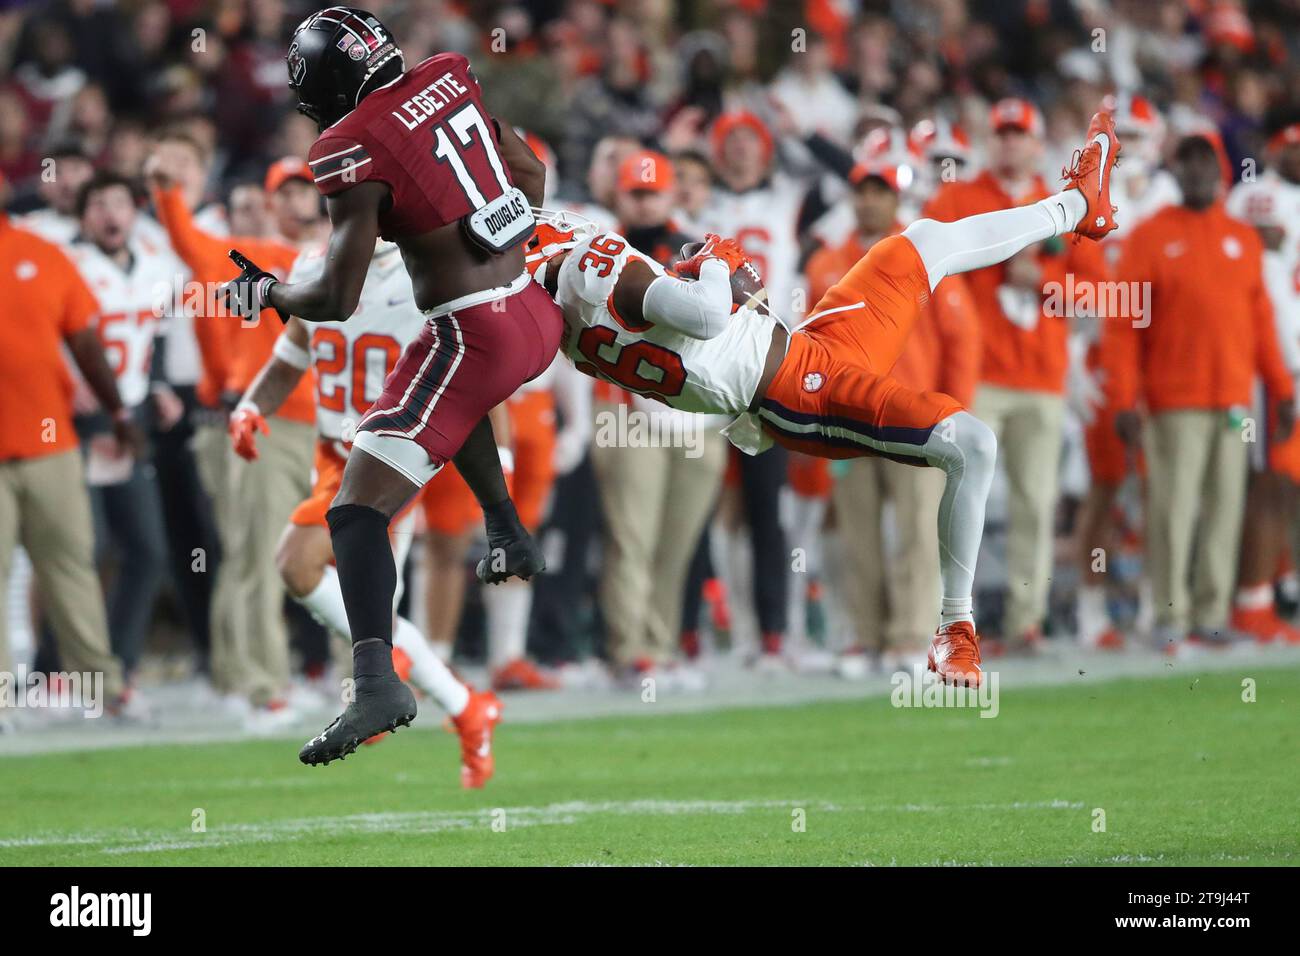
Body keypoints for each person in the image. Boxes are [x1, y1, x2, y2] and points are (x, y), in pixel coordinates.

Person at [524, 112, 1125, 688]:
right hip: (798, 393)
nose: (568, 223)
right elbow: (708, 312)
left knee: (918, 243)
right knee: (972, 443)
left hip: (805, 344)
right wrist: (718, 263)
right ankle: (955, 629)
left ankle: (1076, 204)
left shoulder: (558, 314)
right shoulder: (588, 272)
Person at [219, 7, 562, 764]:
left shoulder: (349, 144)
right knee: (438, 395)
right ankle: (507, 530)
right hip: (530, 308)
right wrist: (491, 243)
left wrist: (270, 293)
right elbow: (530, 177)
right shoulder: (448, 77)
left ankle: (376, 682)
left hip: (476, 328)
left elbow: (334, 297)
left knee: (352, 513)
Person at [231, 239, 501, 787]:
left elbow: (481, 376)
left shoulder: (428, 272)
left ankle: (422, 687)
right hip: (330, 450)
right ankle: (466, 707)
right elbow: (290, 359)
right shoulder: (312, 265)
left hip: (391, 452)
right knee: (375, 614)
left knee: (299, 566)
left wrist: (504, 472)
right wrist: (250, 405)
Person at [923, 98, 1109, 653]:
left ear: (1037, 144)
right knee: (958, 495)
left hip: (1042, 375)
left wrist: (1044, 286)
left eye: (1018, 134)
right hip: (974, 373)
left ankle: (1026, 621)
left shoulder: (1068, 203)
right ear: (990, 141)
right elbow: (924, 267)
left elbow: (1099, 297)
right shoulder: (958, 198)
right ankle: (950, 622)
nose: (1008, 143)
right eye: (1001, 134)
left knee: (1035, 500)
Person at [1105, 131, 1295, 652]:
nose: (1197, 172)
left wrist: (1280, 388)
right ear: (1176, 172)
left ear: (1220, 171)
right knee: (1172, 508)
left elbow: (1262, 323)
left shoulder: (1242, 238)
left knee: (1225, 506)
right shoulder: (1148, 236)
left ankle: (1211, 614)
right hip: (1173, 401)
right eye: (1186, 163)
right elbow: (1123, 327)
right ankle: (1170, 614)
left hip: (1233, 398)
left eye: (1205, 162)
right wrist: (1124, 399)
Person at [810, 162, 979, 674]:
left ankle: (909, 636)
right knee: (857, 531)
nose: (868, 201)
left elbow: (963, 339)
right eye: (861, 190)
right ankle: (865, 634)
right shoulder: (824, 264)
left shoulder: (923, 255)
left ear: (894, 198)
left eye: (878, 191)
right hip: (845, 416)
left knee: (916, 531)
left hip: (911, 415)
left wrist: (953, 412)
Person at [0, 172, 137, 717]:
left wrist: (119, 411)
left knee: (72, 567)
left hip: (49, 443)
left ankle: (102, 689)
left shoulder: (43, 254)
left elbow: (84, 338)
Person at [67, 171, 175, 685]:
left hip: (129, 420)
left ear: (133, 212)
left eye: (119, 203)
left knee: (147, 550)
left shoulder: (154, 266)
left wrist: (157, 386)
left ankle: (120, 670)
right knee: (82, 549)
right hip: (78, 421)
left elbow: (155, 338)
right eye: (98, 204)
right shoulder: (68, 264)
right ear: (83, 215)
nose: (110, 214)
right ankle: (58, 672)